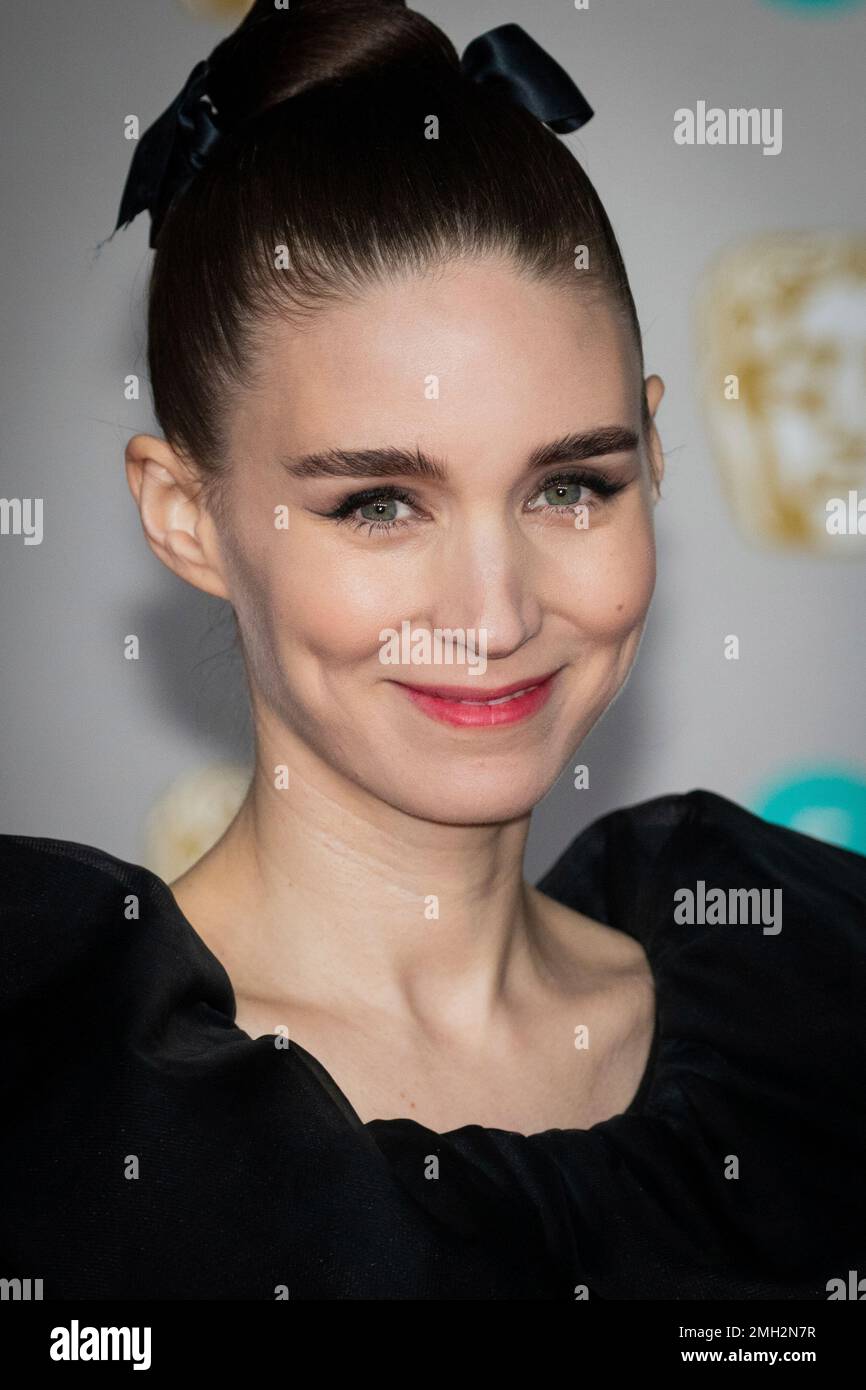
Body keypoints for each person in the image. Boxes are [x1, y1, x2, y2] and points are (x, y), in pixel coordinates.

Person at [1, 0, 864, 1301]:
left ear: (652, 452)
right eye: (378, 504)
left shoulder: (814, 996)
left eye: (568, 484)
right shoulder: (44, 1091)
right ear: (185, 516)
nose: (495, 608)